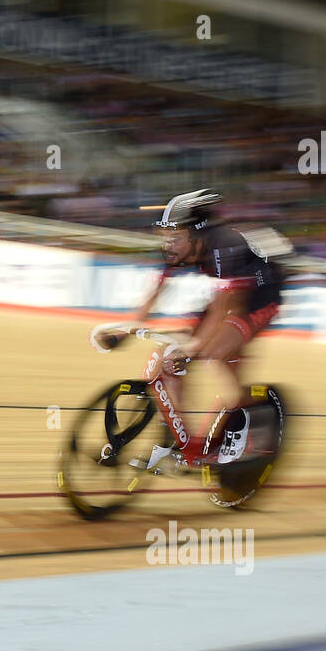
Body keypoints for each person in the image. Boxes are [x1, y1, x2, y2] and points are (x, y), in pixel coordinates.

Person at [90, 189, 283, 506]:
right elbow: (154, 294)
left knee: (215, 353)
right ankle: (185, 442)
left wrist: (194, 346)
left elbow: (225, 308)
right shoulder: (177, 249)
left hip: (262, 296)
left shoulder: (224, 245)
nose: (168, 244)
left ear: (197, 235)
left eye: (175, 237)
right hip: (228, 296)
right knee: (167, 360)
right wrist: (125, 330)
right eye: (164, 236)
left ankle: (243, 424)